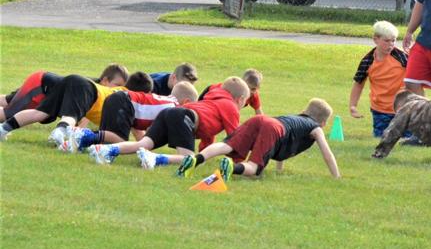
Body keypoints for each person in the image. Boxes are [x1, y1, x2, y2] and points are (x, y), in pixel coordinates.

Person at [87, 77, 248, 167]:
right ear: (240, 99)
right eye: (245, 102)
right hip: (184, 117)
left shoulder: (212, 97)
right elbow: (235, 139)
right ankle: (156, 159)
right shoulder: (231, 106)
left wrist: (205, 154)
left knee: (142, 144)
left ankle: (105, 150)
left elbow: (208, 134)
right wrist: (238, 164)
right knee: (189, 158)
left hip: (170, 113)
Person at [176, 98, 340, 182]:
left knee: (227, 145)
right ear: (324, 123)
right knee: (254, 169)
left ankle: (195, 159)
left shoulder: (295, 118)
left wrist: (279, 169)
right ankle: (232, 168)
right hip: (273, 129)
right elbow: (327, 154)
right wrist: (336, 177)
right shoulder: (316, 128)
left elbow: (282, 147)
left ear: (303, 110)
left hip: (262, 120)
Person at [0, 64, 130, 146]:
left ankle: (3, 129)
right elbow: (80, 119)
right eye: (117, 85)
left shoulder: (100, 90)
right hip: (41, 85)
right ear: (105, 80)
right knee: (8, 113)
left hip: (58, 84)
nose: (118, 89)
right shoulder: (109, 96)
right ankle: (59, 132)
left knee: (37, 113)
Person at [65, 81, 199, 154]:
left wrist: (141, 146)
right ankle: (81, 134)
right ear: (186, 103)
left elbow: (143, 136)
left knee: (106, 141)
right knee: (119, 139)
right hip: (124, 102)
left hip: (120, 98)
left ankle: (74, 143)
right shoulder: (174, 109)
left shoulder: (164, 100)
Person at [349, 21, 408, 137]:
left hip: (403, 109)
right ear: (375, 39)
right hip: (380, 110)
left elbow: (417, 77)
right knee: (381, 139)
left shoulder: (402, 57)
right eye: (386, 41)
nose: (391, 44)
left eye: (393, 40)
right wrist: (353, 106)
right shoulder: (367, 61)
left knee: (406, 141)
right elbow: (358, 83)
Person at [371, 91, 431, 160]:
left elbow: (393, 131)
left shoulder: (407, 107)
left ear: (400, 106)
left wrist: (379, 153)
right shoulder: (425, 104)